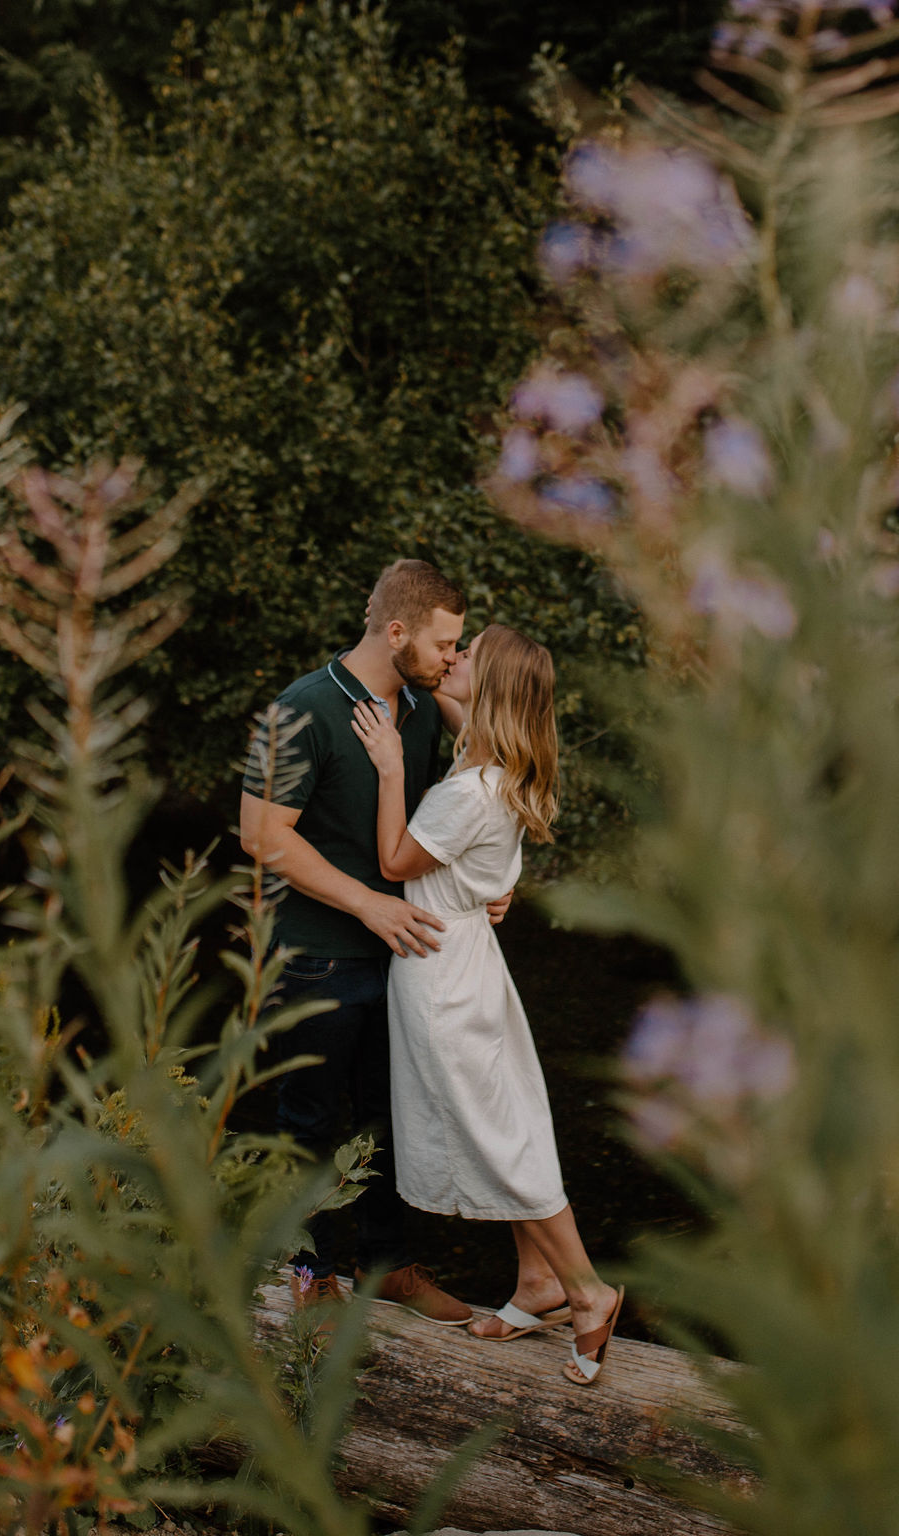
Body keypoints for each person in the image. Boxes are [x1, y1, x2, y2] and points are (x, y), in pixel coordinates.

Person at [351, 624, 624, 1386]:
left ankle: (587, 1289)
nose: (453, 657)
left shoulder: (469, 790)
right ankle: (536, 1283)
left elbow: (395, 861)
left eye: (467, 654)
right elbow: (450, 698)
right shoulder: (502, 765)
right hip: (472, 955)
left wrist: (390, 767)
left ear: (493, 689)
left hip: (441, 971)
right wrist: (441, 680)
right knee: (507, 1118)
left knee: (494, 1135)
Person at [240, 558, 493, 1325]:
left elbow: (444, 814)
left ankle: (390, 1265)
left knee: (396, 1115)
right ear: (396, 632)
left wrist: (481, 887)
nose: (454, 656)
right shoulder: (300, 708)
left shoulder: (418, 708)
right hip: (317, 955)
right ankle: (309, 1268)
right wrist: (368, 906)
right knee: (309, 1120)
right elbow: (261, 835)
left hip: (405, 953)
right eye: (445, 642)